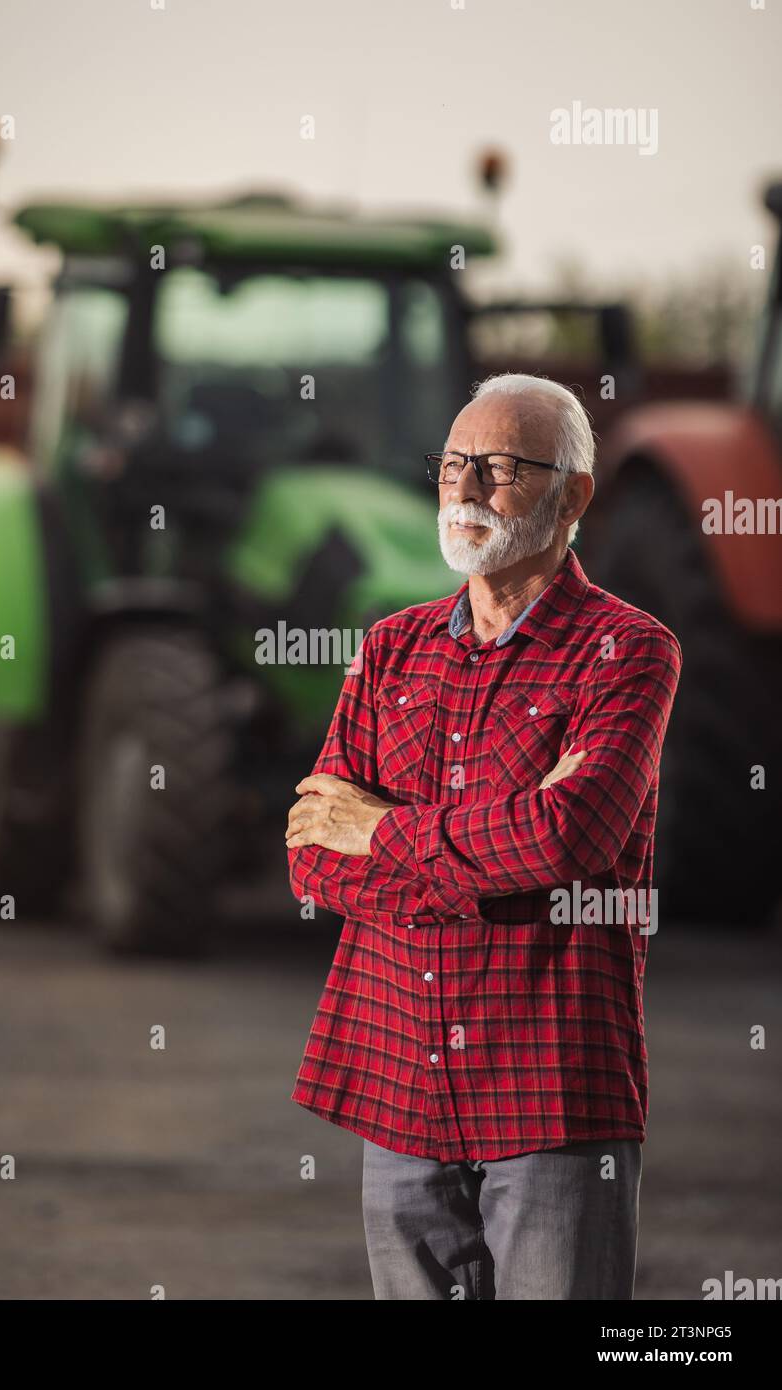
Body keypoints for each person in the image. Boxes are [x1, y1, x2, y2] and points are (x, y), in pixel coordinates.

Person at [285, 373, 682, 1300]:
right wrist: (485, 848)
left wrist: (380, 831)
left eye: (500, 469)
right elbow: (311, 858)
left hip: (548, 1096)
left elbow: (568, 838)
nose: (463, 490)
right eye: (452, 463)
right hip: (397, 1085)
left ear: (571, 496)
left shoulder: (628, 651)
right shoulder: (389, 648)